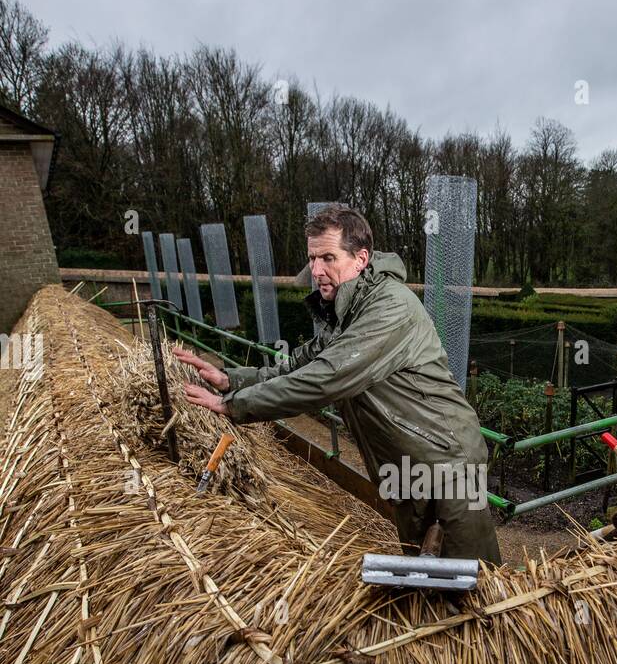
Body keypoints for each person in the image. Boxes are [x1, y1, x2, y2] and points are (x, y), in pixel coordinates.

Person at [174, 205, 502, 564]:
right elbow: (299, 365)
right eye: (312, 258)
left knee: (472, 582)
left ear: (360, 258)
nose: (316, 270)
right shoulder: (346, 312)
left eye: (328, 257)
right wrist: (229, 380)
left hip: (449, 465)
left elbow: (325, 378)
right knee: (422, 573)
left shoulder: (389, 308)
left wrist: (233, 405)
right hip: (404, 468)